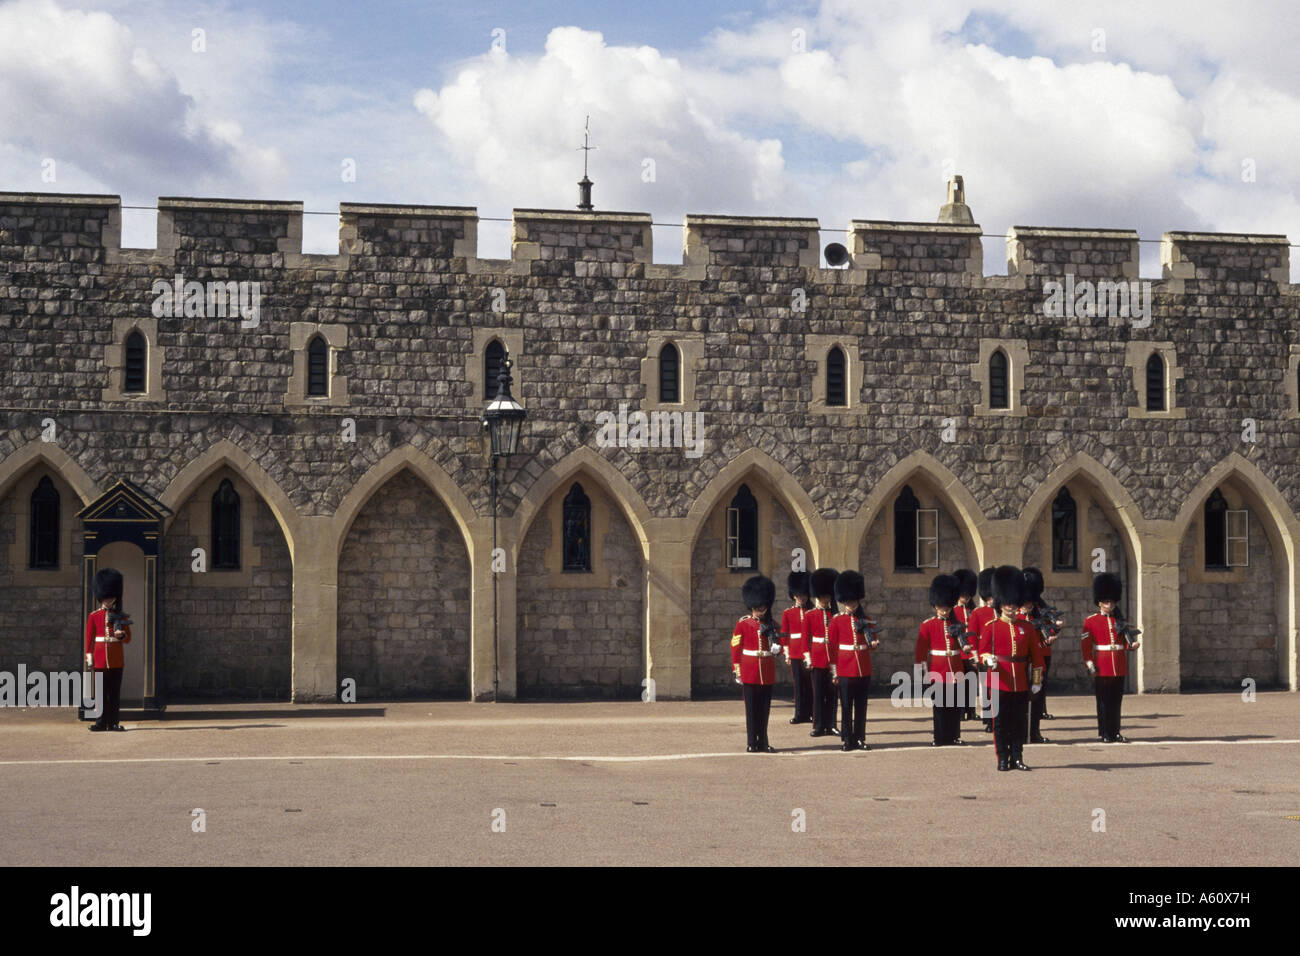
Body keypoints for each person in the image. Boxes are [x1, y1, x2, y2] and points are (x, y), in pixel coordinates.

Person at [977, 565, 1044, 772]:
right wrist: (988, 660)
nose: (1011, 607)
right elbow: (982, 651)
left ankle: (1017, 757)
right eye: (1007, 604)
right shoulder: (992, 627)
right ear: (1000, 603)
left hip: (1021, 682)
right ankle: (1002, 758)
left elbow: (1037, 658)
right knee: (1000, 724)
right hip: (998, 680)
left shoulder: (1027, 627)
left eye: (1014, 604)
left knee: (1018, 723)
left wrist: (1036, 681)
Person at [1082, 572, 1140, 743]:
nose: (1109, 604)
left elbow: (1124, 642)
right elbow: (1086, 647)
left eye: (1112, 601)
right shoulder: (1090, 621)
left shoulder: (1120, 620)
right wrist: (1090, 664)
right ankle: (1105, 732)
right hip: (1102, 665)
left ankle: (1115, 732)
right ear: (1100, 602)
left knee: (1116, 702)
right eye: (1106, 601)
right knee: (1103, 702)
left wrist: (1132, 646)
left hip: (1119, 665)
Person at [830, 570, 877, 751]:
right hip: (845, 669)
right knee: (847, 707)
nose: (851, 605)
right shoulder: (837, 621)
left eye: (854, 601)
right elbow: (833, 649)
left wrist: (874, 644)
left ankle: (859, 738)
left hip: (863, 668)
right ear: (843, 602)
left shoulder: (867, 620)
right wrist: (834, 673)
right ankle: (847, 739)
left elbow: (872, 644)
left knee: (861, 707)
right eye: (848, 602)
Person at [732, 575, 779, 753]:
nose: (761, 610)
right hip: (750, 670)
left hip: (766, 671)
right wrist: (737, 670)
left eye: (763, 607)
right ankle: (752, 741)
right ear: (752, 607)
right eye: (758, 607)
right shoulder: (743, 624)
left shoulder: (773, 625)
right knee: (751, 710)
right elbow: (735, 647)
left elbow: (781, 645)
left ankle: (763, 741)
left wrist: (777, 649)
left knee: (764, 709)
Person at [916, 574, 964, 746]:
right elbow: (921, 652)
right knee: (940, 707)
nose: (944, 610)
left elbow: (965, 648)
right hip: (937, 669)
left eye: (946, 607)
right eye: (941, 607)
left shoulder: (957, 625)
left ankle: (954, 736)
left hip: (956, 668)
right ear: (935, 606)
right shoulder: (927, 625)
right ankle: (939, 737)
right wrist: (922, 675)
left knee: (954, 706)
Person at [84, 568, 131, 732]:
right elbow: (89, 640)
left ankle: (113, 722)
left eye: (110, 597)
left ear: (115, 597)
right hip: (99, 659)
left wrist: (121, 634)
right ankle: (101, 722)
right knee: (100, 693)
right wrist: (90, 660)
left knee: (114, 694)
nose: (108, 600)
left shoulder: (121, 617)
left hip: (116, 659)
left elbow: (128, 638)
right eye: (105, 597)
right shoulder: (93, 616)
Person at [1020, 567, 1057, 744]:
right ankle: (1020, 732)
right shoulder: (1016, 619)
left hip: (1036, 666)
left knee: (1036, 697)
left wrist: (1049, 639)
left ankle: (1034, 732)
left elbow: (1045, 638)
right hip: (1020, 665)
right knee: (1020, 699)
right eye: (1026, 603)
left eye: (1030, 603)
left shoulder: (1040, 615)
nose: (1028, 606)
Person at [803, 567, 840, 739]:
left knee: (833, 694)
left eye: (827, 596)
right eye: (823, 596)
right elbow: (805, 640)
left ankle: (831, 724)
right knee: (818, 694)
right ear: (817, 596)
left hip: (833, 659)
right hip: (817, 658)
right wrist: (808, 658)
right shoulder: (810, 615)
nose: (825, 599)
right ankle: (818, 725)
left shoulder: (836, 615)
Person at [780, 571, 813, 724]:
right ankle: (800, 713)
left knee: (810, 684)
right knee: (798, 684)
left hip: (810, 652)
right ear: (794, 596)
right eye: (799, 595)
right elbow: (785, 634)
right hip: (794, 652)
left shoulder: (811, 612)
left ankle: (811, 713)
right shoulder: (788, 613)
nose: (802, 598)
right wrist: (786, 654)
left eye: (805, 594)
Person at [969, 567, 998, 733]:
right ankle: (988, 719)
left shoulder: (1003, 612)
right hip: (984, 655)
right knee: (986, 688)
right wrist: (974, 656)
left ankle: (997, 717)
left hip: (1000, 655)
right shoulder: (978, 613)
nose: (992, 599)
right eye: (989, 596)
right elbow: (972, 636)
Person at [952, 568, 979, 721]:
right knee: (959, 683)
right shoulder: (953, 610)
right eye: (963, 594)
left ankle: (971, 710)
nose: (966, 597)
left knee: (971, 682)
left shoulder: (973, 611)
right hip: (959, 651)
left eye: (968, 595)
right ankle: (960, 711)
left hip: (971, 652)